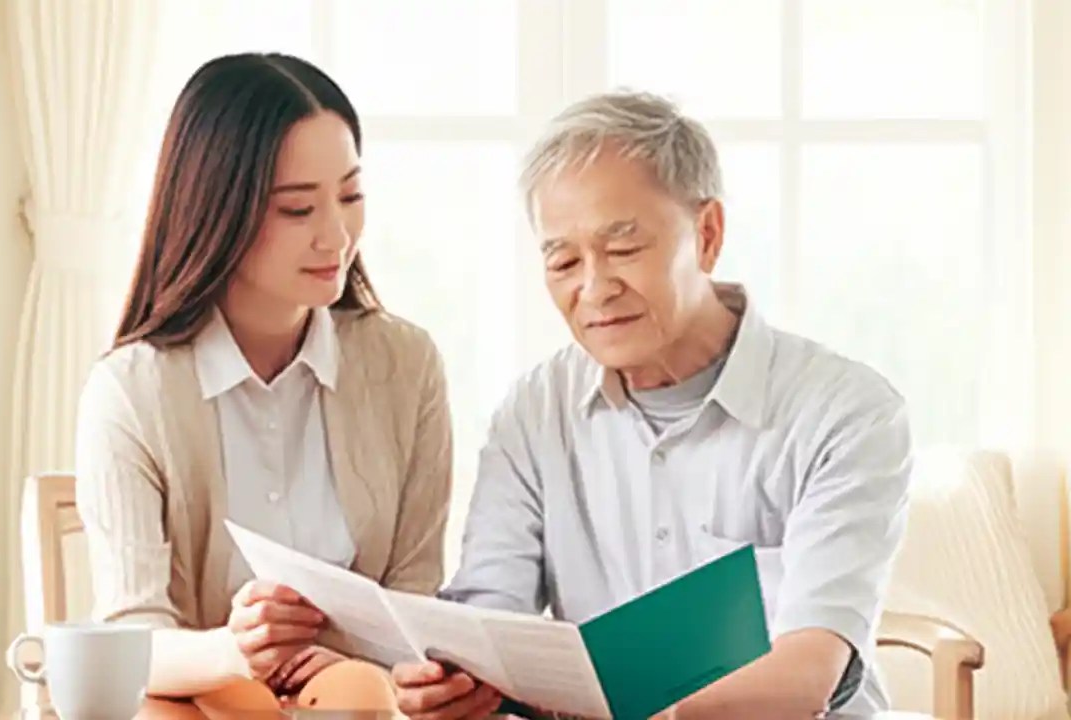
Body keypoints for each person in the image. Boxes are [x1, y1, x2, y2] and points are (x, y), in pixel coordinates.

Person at [393, 90, 912, 720]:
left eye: (624, 249)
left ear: (708, 233)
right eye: (562, 259)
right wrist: (453, 681)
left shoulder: (845, 411)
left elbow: (809, 671)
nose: (594, 288)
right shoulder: (533, 414)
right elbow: (488, 621)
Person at [74, 52, 452, 700]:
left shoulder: (406, 367)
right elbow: (131, 639)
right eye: (298, 210)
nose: (337, 236)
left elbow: (415, 602)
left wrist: (359, 668)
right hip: (194, 697)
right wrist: (234, 648)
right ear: (217, 211)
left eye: (351, 196)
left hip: (358, 699)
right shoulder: (131, 393)